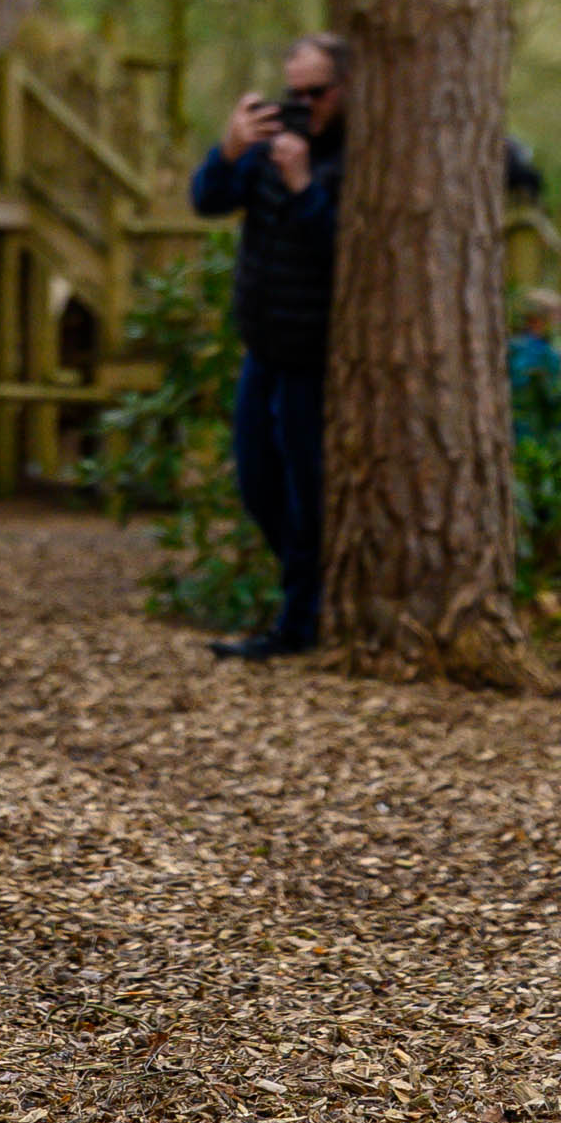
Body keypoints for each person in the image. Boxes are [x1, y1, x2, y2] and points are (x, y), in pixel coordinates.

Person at [189, 33, 348, 660]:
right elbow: (207, 200)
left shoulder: (355, 158)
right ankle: (307, 596)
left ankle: (301, 624)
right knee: (259, 482)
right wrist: (230, 149)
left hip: (318, 351)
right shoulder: (269, 147)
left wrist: (304, 185)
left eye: (317, 92)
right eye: (294, 92)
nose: (303, 104)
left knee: (310, 489)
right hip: (263, 343)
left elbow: (342, 250)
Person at [508, 286, 561, 432]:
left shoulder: (512, 345)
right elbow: (555, 395)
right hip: (535, 425)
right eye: (557, 317)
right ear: (540, 320)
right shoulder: (544, 353)